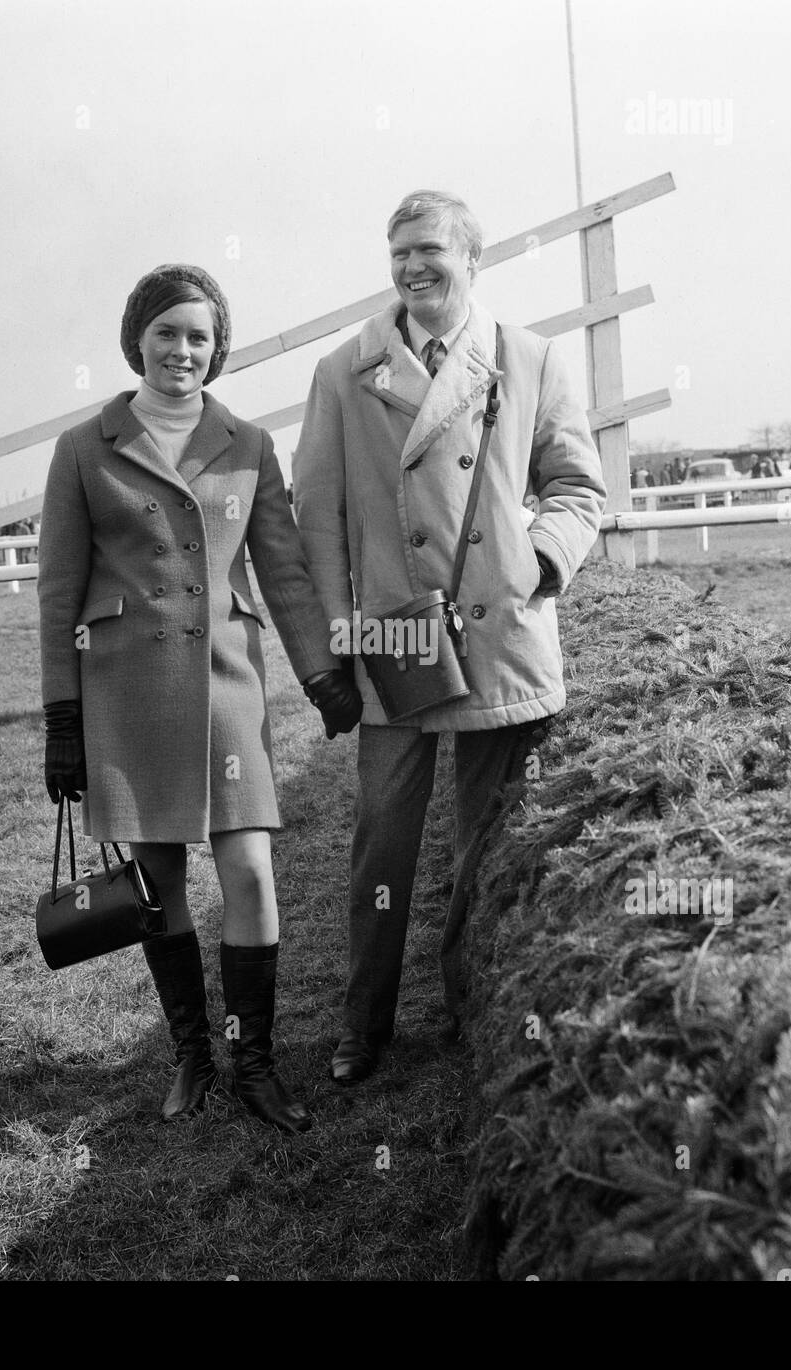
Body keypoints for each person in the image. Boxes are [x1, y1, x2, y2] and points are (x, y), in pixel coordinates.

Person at [38, 263, 361, 1134]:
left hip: (226, 688)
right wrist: (61, 721)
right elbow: (57, 594)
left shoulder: (247, 444)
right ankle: (193, 1059)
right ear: (137, 338)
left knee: (250, 870)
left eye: (200, 336)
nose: (183, 350)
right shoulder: (82, 448)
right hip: (125, 693)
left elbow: (285, 571)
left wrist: (324, 672)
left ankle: (253, 1063)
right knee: (159, 880)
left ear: (218, 350)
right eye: (167, 333)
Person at [292, 190, 606, 1084]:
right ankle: (365, 1024)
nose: (410, 266)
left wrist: (540, 564)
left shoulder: (532, 357)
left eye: (429, 249)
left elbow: (580, 486)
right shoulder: (343, 373)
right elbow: (317, 520)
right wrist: (336, 646)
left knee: (489, 842)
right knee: (382, 844)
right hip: (396, 643)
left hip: (500, 636)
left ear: (474, 256)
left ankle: (473, 1012)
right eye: (397, 252)